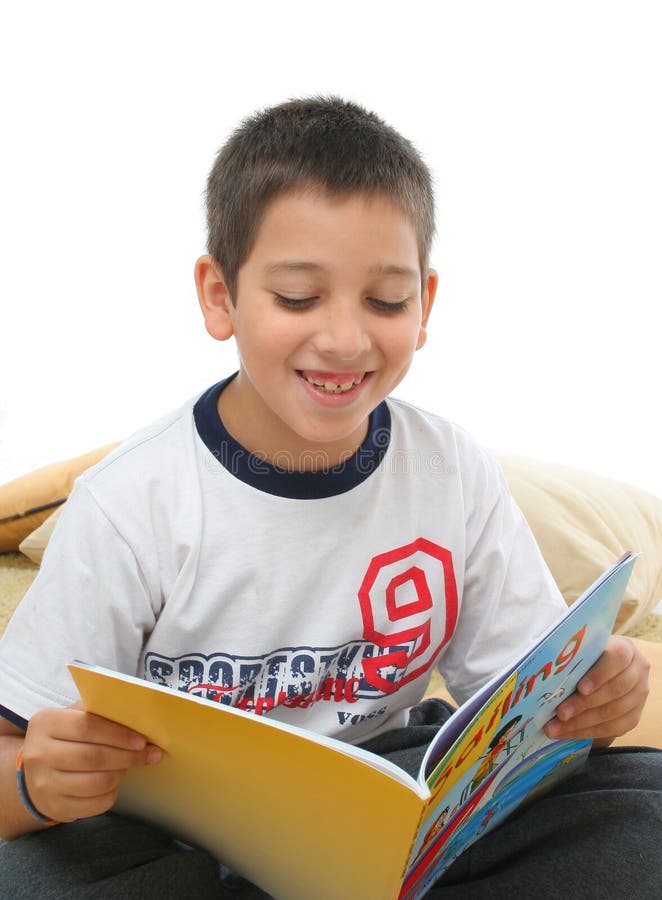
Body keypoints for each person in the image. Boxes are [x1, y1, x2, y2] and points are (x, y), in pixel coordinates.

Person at [0, 97, 658, 899]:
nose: (346, 339)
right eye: (299, 298)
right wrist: (36, 783)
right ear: (219, 295)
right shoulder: (132, 505)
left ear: (425, 306)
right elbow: (13, 759)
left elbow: (523, 709)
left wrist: (597, 696)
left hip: (381, 796)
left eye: (385, 301)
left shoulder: (449, 468)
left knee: (639, 818)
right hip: (175, 843)